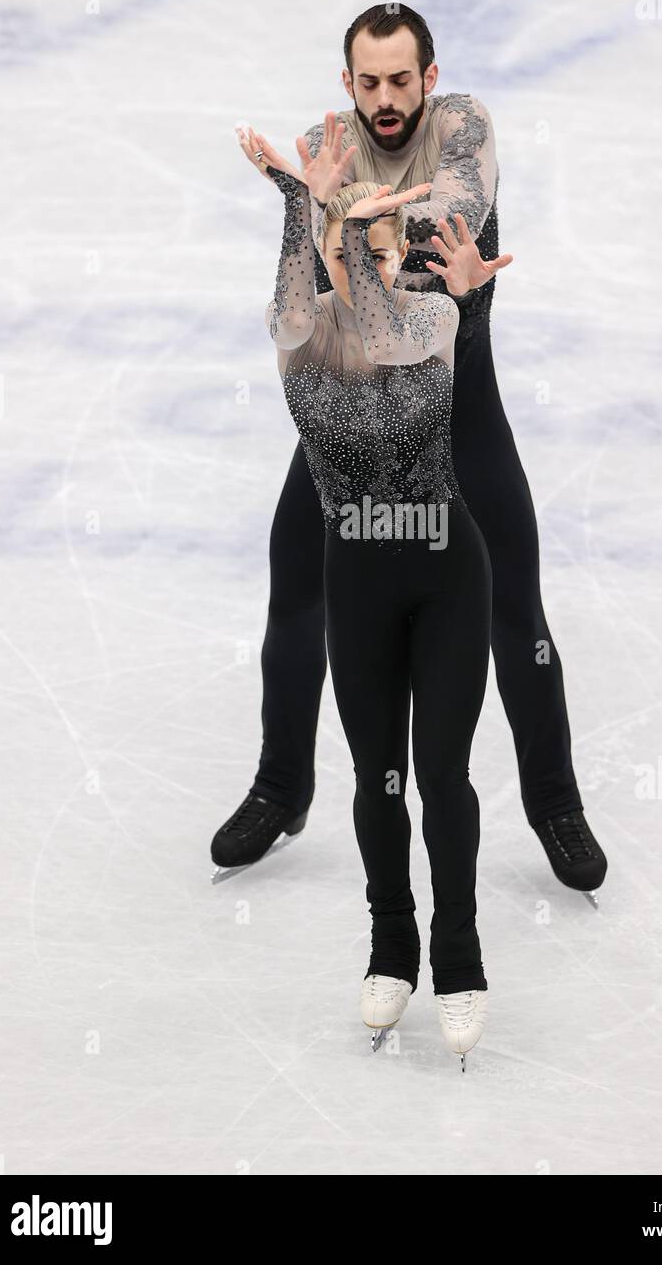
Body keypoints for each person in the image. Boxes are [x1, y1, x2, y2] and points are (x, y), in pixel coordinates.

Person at [215, 4, 607, 902]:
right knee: (296, 589)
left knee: (517, 609)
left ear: (430, 77)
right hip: (358, 422)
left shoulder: (462, 126)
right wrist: (329, 211)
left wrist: (357, 209)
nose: (386, 100)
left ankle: (553, 798)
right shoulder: (328, 144)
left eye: (402, 80)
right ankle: (283, 785)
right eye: (368, 82)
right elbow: (323, 295)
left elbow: (456, 207)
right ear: (345, 82)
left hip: (459, 409)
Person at [241, 113, 512, 1060]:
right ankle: (390, 942)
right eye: (367, 243)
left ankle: (462, 954)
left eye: (393, 245)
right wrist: (297, 204)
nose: (383, 261)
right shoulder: (302, 336)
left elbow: (393, 337)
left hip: (445, 571)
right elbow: (296, 311)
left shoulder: (432, 315)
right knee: (378, 777)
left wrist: (360, 235)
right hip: (355, 576)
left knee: (441, 774)